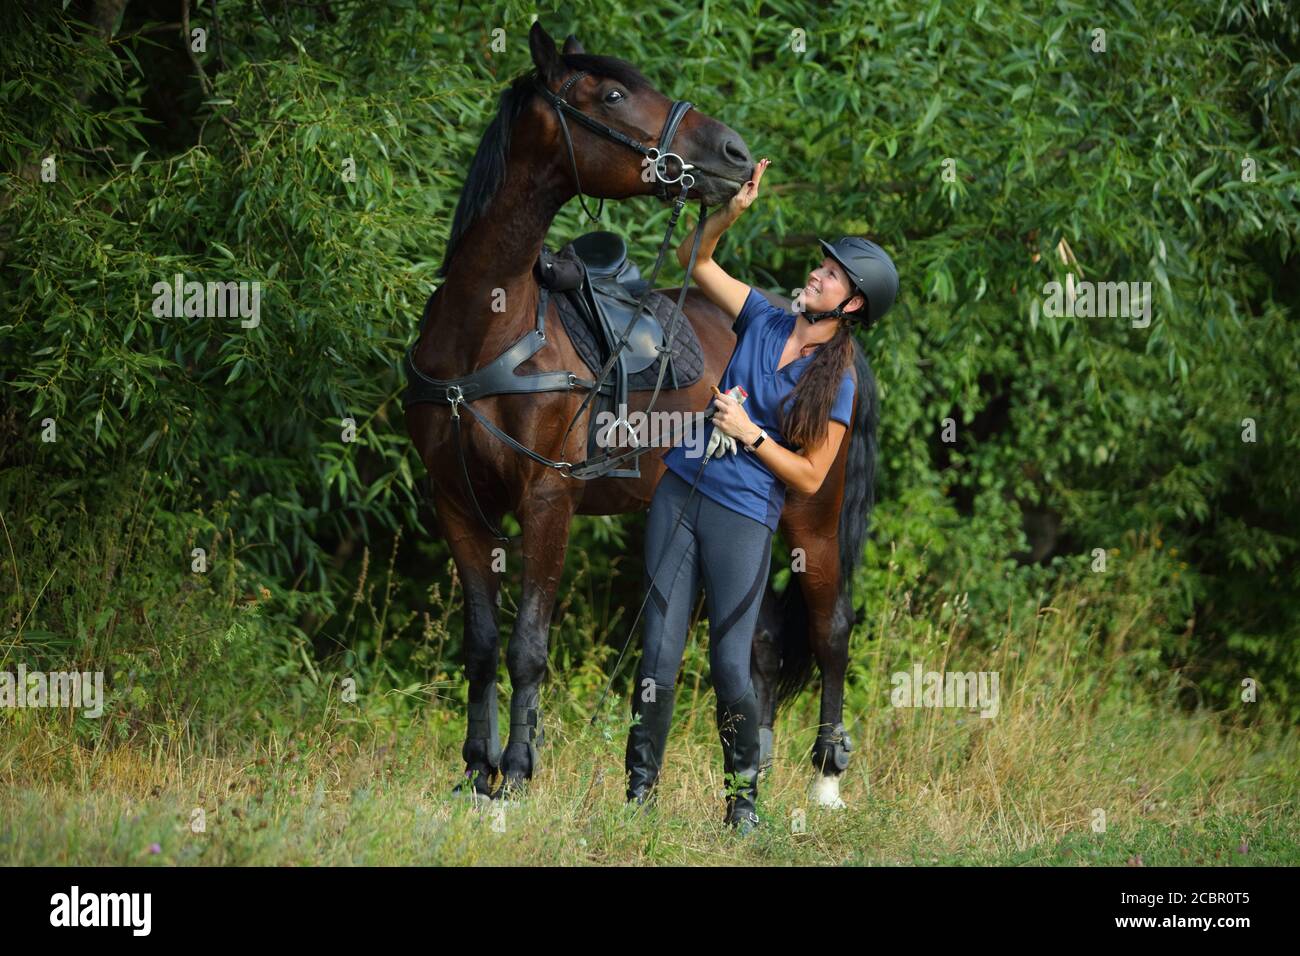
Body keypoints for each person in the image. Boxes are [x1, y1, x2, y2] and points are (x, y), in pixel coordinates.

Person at [624, 157, 900, 832]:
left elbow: (808, 477)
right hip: (680, 492)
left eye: (832, 273)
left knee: (728, 663)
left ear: (852, 303)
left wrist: (749, 435)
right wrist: (731, 212)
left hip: (744, 518)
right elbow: (696, 259)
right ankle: (637, 803)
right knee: (658, 651)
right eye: (822, 264)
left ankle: (742, 806)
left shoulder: (840, 380)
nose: (817, 273)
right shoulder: (765, 317)